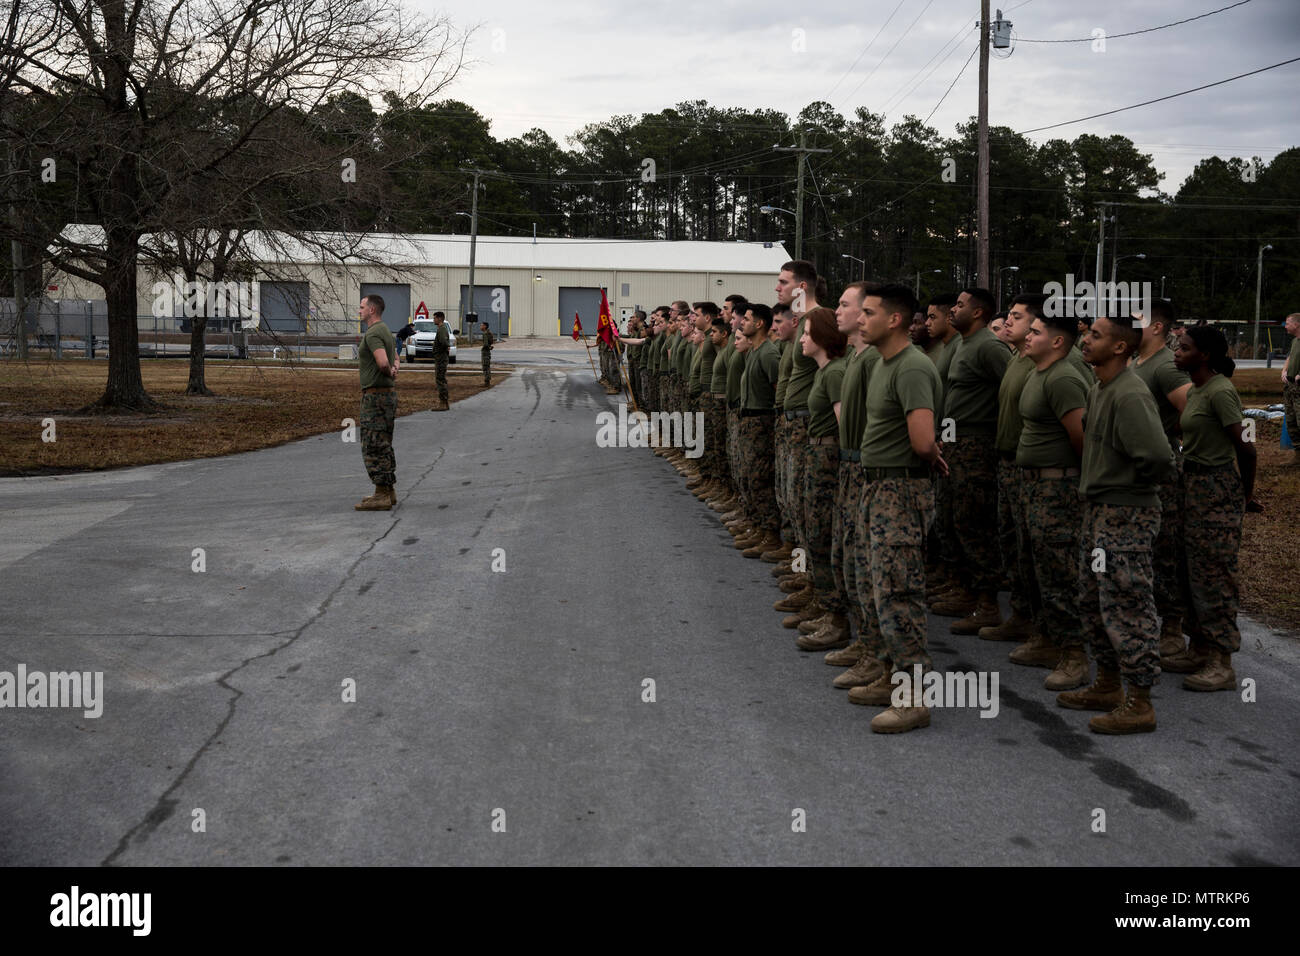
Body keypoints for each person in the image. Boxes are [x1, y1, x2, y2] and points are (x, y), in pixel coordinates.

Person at [1057, 315, 1174, 734]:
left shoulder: (1130, 394)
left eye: (1096, 336)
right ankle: (1107, 684)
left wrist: (1126, 486)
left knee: (1126, 601)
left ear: (1121, 347)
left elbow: (1159, 458)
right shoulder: (1098, 388)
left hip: (1124, 513)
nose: (1086, 340)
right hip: (1098, 510)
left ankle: (1139, 701)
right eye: (1087, 334)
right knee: (1094, 599)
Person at [847, 284, 946, 733]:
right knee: (877, 588)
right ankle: (890, 674)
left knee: (899, 593)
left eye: (869, 313)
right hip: (878, 487)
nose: (861, 320)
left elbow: (924, 440)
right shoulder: (885, 364)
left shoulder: (911, 367)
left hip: (900, 493)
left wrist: (929, 454)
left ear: (895, 320)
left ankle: (913, 698)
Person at [1172, 326, 1261, 691]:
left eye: (1185, 348)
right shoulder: (1196, 389)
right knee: (1190, 570)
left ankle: (1221, 662)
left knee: (1214, 574)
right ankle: (1198, 647)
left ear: (1205, 355)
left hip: (1216, 488)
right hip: (1191, 486)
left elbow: (1248, 444)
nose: (1176, 352)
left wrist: (1245, 493)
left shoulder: (1221, 390)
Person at [1013, 309, 1091, 686]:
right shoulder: (1038, 372)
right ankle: (1046, 636)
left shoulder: (1063, 379)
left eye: (1036, 332)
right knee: (1034, 565)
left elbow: (1082, 440)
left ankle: (1075, 654)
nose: (1028, 336)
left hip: (1057, 489)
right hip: (1033, 486)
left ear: (1058, 341)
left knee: (1060, 571)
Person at [931, 288, 1009, 633]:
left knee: (973, 521)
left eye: (960, 305)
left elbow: (1009, 391)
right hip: (953, 441)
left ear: (978, 313)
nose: (954, 310)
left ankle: (988, 602)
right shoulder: (961, 344)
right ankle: (961, 587)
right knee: (950, 517)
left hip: (976, 444)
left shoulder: (989, 346)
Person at [1130, 299, 1193, 664]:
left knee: (1165, 550)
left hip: (1163, 472)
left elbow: (1193, 410)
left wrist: (1164, 434)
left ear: (1157, 327)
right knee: (1148, 551)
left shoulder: (1166, 367)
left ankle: (1171, 629)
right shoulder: (1138, 362)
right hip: (1140, 470)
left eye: (1136, 320)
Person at [826, 281, 882, 688]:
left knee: (867, 568)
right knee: (849, 559)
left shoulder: (875, 362)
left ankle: (875, 654)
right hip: (852, 467)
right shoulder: (858, 360)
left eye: (845, 306)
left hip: (869, 470)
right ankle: (863, 643)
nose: (839, 311)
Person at [791, 306, 850, 647]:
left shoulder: (835, 373)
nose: (803, 338)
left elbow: (846, 428)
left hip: (828, 460)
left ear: (825, 338)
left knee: (823, 535)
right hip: (817, 455)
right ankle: (828, 608)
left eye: (809, 333)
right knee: (815, 534)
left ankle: (836, 617)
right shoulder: (825, 371)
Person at [982, 294, 1038, 645]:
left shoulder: (1047, 365)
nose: (1007, 323)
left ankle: (1047, 631)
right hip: (1009, 464)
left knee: (1037, 551)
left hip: (1030, 469)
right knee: (1014, 544)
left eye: (1016, 317)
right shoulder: (1019, 357)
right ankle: (1021, 614)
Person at [735, 305, 782, 558]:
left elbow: (778, 391)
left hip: (761, 422)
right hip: (749, 420)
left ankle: (771, 534)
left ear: (760, 324)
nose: (743, 322)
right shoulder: (754, 351)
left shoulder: (768, 354)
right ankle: (757, 527)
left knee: (760, 479)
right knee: (749, 476)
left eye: (748, 319)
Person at [355, 294, 398, 511]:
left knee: (373, 443)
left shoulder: (372, 333)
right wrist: (394, 369)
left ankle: (381, 493)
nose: (359, 310)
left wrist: (388, 369)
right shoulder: (386, 331)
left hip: (375, 396)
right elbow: (395, 356)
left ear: (372, 310)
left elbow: (382, 361)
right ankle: (388, 491)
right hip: (387, 395)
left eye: (362, 307)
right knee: (384, 441)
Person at [1281, 312, 1300, 466]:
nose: (1285, 326)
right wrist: (1284, 371)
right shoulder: (1295, 341)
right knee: (1292, 422)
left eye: (1287, 323)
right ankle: (1298, 456)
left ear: (1297, 324)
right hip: (1290, 387)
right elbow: (1289, 357)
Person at [431, 311, 451, 410]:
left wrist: (446, 346)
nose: (433, 320)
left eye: (434, 318)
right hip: (441, 357)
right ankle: (445, 403)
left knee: (440, 380)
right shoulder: (442, 329)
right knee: (442, 379)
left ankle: (443, 403)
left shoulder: (442, 329)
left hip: (441, 358)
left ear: (439, 318)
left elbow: (443, 341)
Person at [479, 321, 494, 387]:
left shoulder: (485, 334)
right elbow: (491, 342)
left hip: (485, 352)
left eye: (482, 325)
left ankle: (486, 382)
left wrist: (487, 347)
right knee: (487, 366)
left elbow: (485, 344)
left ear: (485, 326)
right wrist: (490, 347)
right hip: (488, 352)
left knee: (485, 367)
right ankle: (488, 381)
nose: (480, 327)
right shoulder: (489, 333)